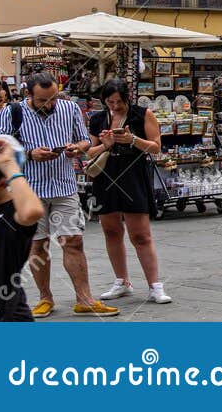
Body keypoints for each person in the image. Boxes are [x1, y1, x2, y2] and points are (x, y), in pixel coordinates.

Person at [0, 74, 115, 316]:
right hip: (29, 189)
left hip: (63, 185)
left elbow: (85, 140)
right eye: (43, 100)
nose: (49, 104)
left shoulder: (69, 108)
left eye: (53, 98)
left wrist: (77, 148)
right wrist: (30, 153)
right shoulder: (11, 112)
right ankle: (45, 298)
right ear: (30, 96)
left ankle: (85, 299)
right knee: (38, 245)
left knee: (74, 241)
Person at [87, 80, 171, 304]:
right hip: (105, 176)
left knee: (140, 235)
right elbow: (90, 152)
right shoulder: (97, 118)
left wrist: (132, 139)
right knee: (111, 231)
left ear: (128, 98)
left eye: (119, 102)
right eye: (110, 101)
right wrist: (106, 143)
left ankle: (155, 285)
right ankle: (121, 281)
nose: (114, 106)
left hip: (133, 176)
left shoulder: (142, 115)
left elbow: (156, 147)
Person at [0, 133, 45, 321]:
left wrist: (8, 165)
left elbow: (33, 212)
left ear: (2, 182)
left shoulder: (13, 212)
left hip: (5, 314)